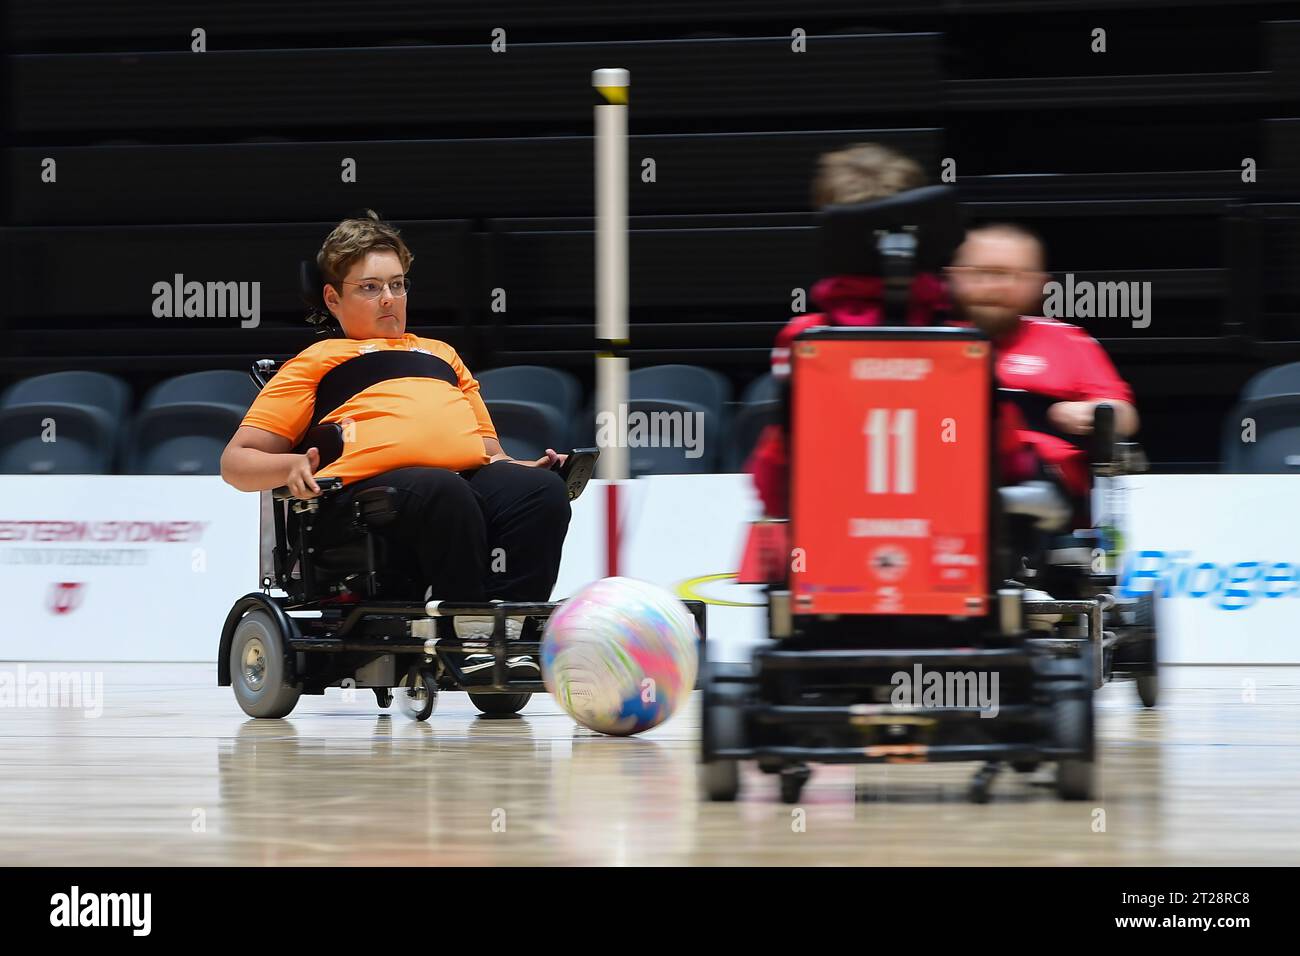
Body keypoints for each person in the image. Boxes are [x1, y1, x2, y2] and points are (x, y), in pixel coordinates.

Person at [220, 210, 571, 679]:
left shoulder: (442, 355)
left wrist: (530, 467)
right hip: (363, 502)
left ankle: (519, 633)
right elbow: (236, 462)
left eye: (398, 284)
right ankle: (468, 632)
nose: (389, 298)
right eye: (370, 287)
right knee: (443, 490)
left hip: (454, 488)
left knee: (541, 494)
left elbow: (491, 454)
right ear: (333, 297)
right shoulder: (316, 362)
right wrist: (288, 468)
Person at [748, 143, 953, 517]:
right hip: (947, 543)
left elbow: (776, 475)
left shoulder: (800, 339)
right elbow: (1004, 461)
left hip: (829, 544)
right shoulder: (961, 334)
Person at [946, 222, 1139, 503]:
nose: (996, 287)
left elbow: (1125, 416)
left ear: (1041, 285)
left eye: (1014, 275)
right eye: (982, 273)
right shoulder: (924, 341)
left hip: (1051, 505)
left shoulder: (1068, 341)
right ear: (952, 277)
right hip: (946, 486)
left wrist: (1092, 413)